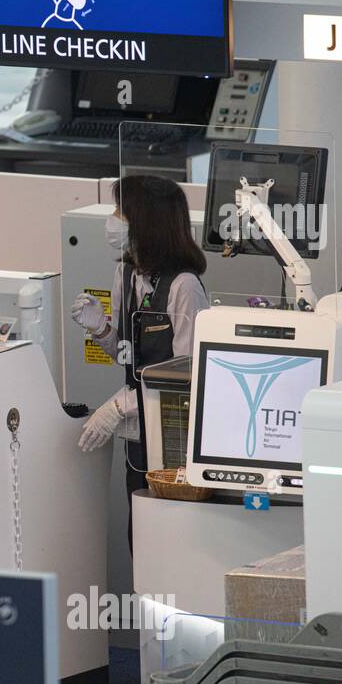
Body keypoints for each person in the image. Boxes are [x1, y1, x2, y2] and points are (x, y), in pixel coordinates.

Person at [70, 176, 209, 550]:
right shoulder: (126, 273)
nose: (112, 220)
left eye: (120, 212)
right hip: (137, 434)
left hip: (173, 434)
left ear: (147, 221)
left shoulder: (184, 287)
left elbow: (187, 375)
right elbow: (125, 354)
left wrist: (120, 405)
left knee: (171, 538)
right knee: (140, 535)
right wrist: (100, 329)